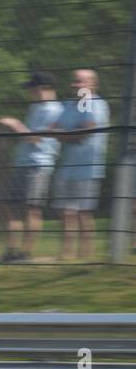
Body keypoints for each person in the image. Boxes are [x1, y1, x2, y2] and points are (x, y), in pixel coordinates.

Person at [0, 72, 64, 262]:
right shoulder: (36, 108)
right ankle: (11, 250)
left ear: (41, 88)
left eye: (31, 89)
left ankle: (25, 253)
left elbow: (36, 138)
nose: (30, 93)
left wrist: (15, 124)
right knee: (9, 205)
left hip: (39, 164)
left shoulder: (55, 111)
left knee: (31, 209)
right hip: (23, 162)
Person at [47, 69, 109, 260]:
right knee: (65, 212)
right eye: (74, 81)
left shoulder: (96, 104)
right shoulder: (68, 105)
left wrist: (67, 135)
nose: (74, 85)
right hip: (67, 166)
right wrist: (71, 134)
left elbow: (88, 130)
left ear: (92, 84)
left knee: (83, 212)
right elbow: (53, 129)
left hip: (88, 167)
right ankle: (66, 255)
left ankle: (85, 256)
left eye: (79, 81)